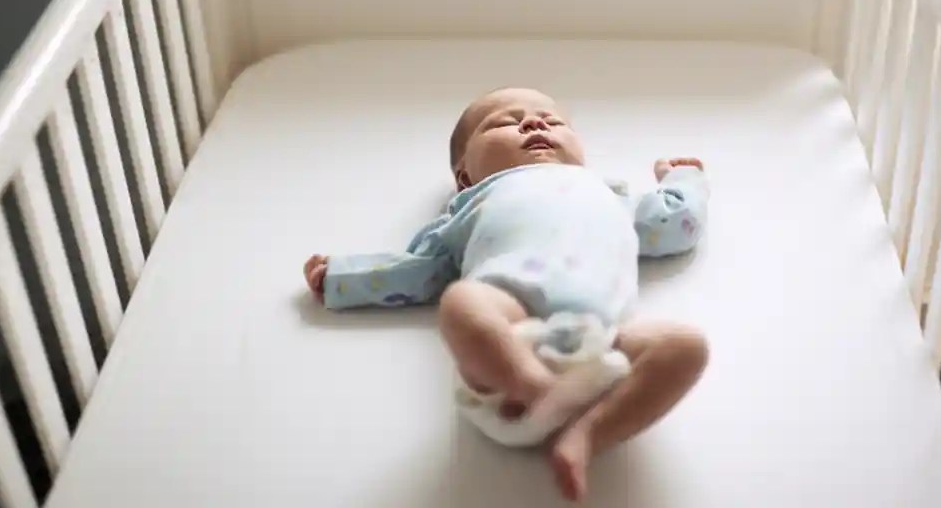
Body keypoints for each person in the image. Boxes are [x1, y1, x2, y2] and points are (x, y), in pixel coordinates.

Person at [303, 87, 709, 502]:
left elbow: (676, 225)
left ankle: (588, 434)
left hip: (604, 343)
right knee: (462, 302)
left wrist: (683, 179)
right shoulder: (472, 205)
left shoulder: (612, 194)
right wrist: (343, 276)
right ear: (465, 176)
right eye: (504, 122)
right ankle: (534, 386)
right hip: (509, 328)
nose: (535, 123)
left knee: (686, 347)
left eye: (553, 121)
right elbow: (418, 271)